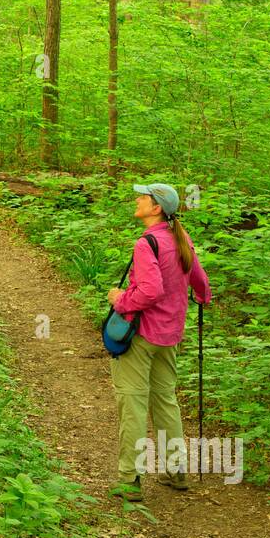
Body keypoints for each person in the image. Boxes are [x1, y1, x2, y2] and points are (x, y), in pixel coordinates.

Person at [106, 183, 212, 502]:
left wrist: (120, 299)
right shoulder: (179, 237)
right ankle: (177, 470)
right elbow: (201, 281)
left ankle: (129, 478)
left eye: (143, 197)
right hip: (170, 335)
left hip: (140, 334)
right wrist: (201, 297)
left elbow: (150, 291)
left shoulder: (147, 242)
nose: (137, 199)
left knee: (133, 402)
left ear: (156, 208)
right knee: (165, 400)